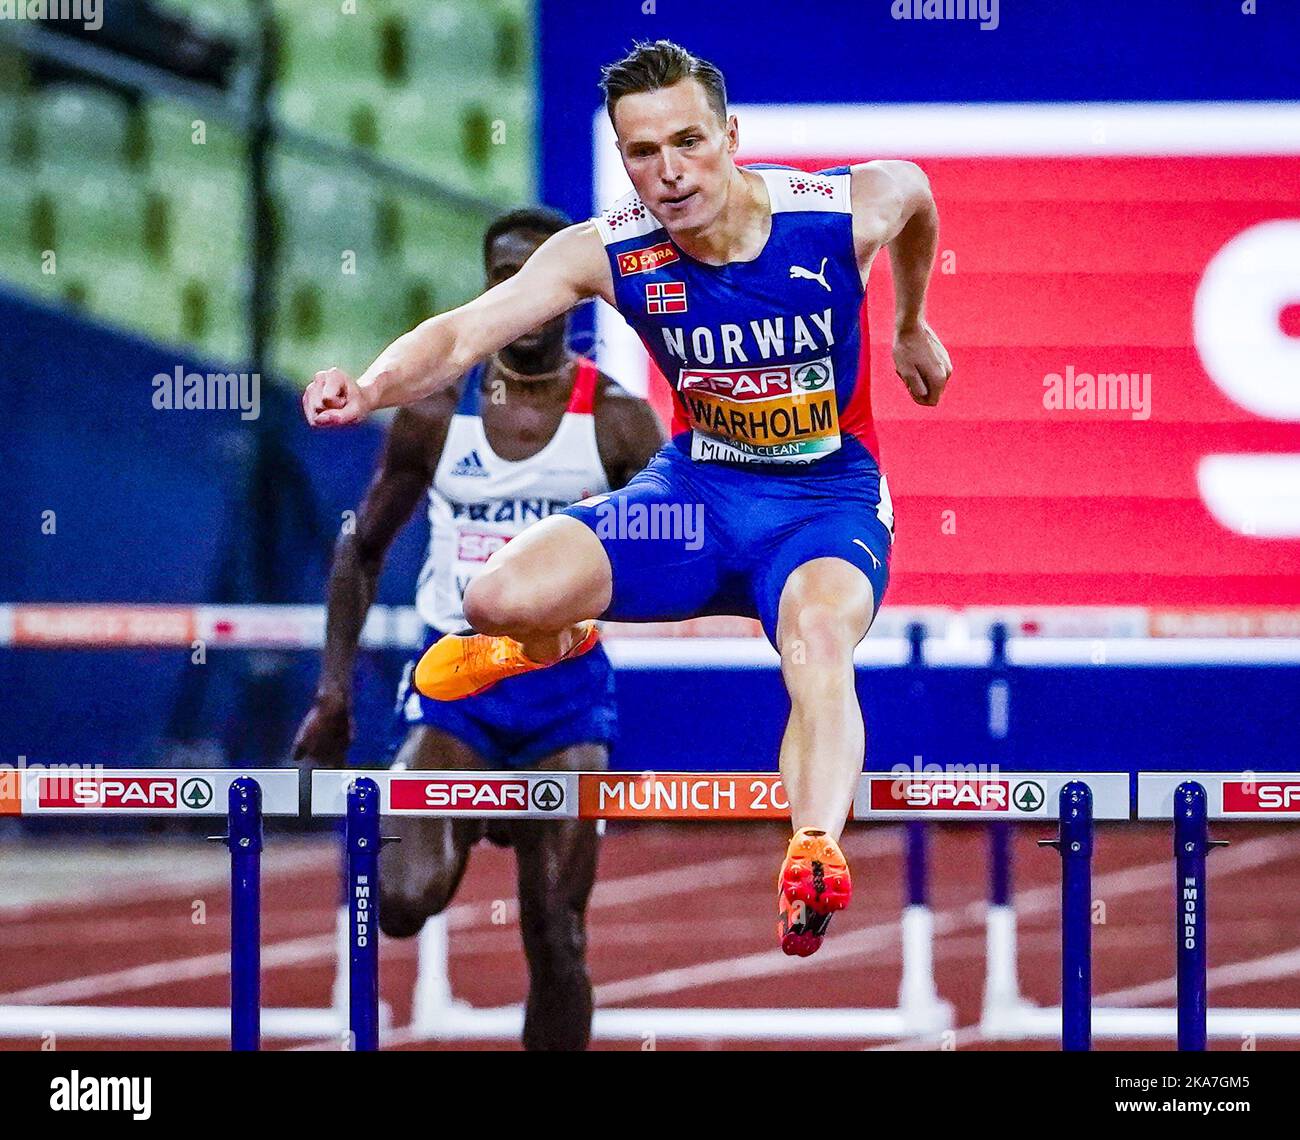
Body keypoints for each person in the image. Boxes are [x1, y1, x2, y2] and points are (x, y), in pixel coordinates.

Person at [302, 40, 952, 957]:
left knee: (818, 646)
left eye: (688, 142)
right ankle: (553, 634)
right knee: (491, 598)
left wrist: (909, 323)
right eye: (642, 153)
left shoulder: (838, 213)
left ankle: (812, 848)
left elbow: (916, 191)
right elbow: (461, 334)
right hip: (698, 496)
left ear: (731, 136)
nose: (670, 173)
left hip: (821, 504)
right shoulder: (608, 250)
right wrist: (368, 387)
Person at [292, 206, 664, 1050]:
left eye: (534, 279)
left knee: (558, 936)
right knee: (399, 900)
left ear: (567, 293)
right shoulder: (435, 412)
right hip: (455, 684)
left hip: (565, 695)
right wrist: (333, 691)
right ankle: (476, 815)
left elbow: (674, 543)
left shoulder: (616, 420)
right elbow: (360, 549)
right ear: (490, 288)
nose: (519, 296)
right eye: (502, 280)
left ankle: (522, 825)